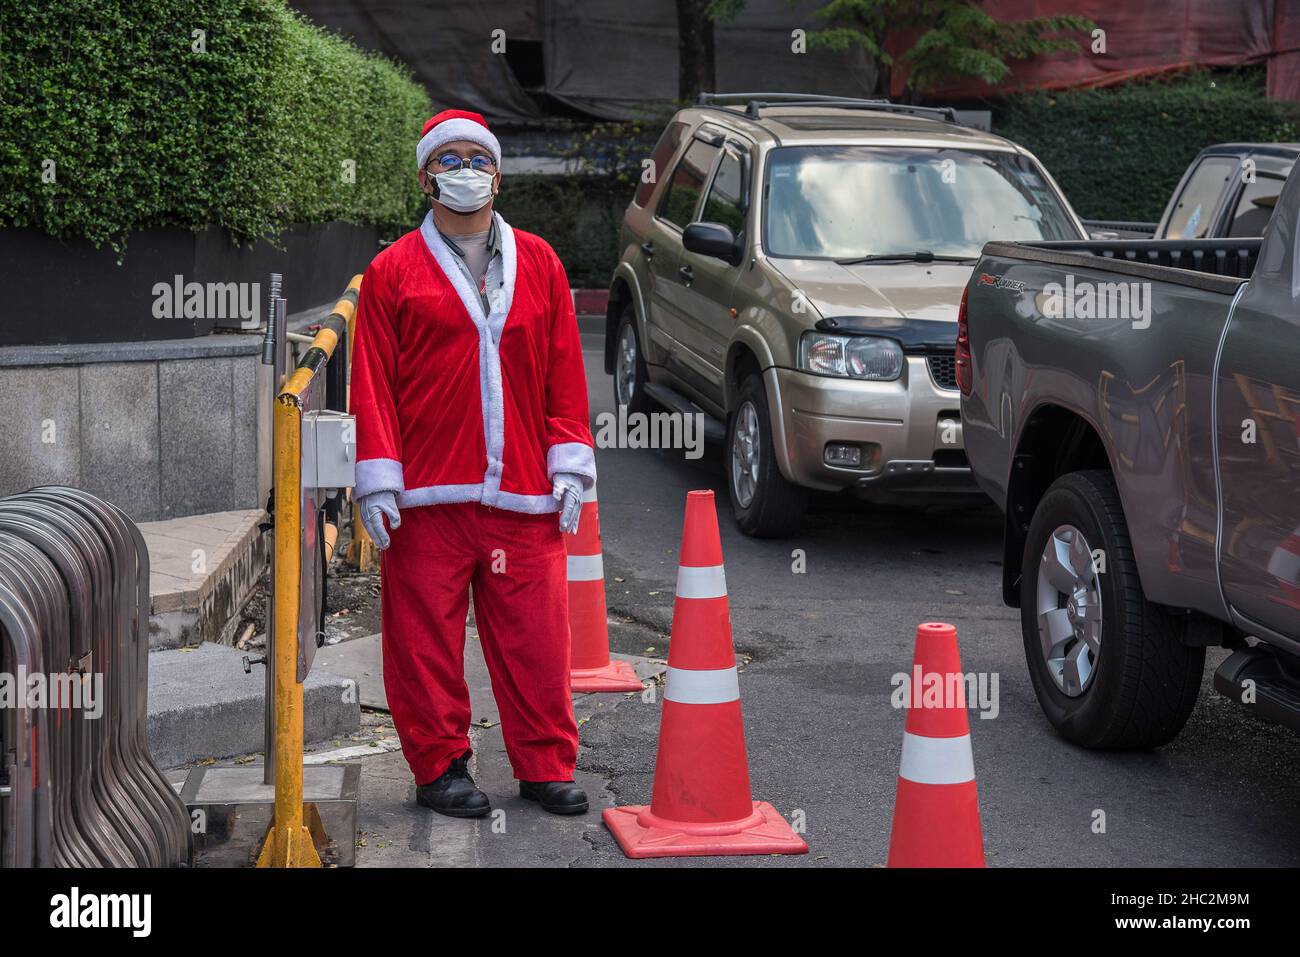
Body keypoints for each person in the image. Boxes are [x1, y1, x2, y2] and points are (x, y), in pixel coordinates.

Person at [350, 109, 594, 817]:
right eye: (448, 160)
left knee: (539, 638)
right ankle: (441, 766)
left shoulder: (542, 263)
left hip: (524, 493)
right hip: (427, 497)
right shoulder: (391, 271)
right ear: (426, 176)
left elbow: (563, 373)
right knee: (421, 637)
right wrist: (377, 477)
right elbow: (374, 381)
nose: (464, 171)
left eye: (475, 158)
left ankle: (545, 764)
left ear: (497, 172)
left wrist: (571, 464)